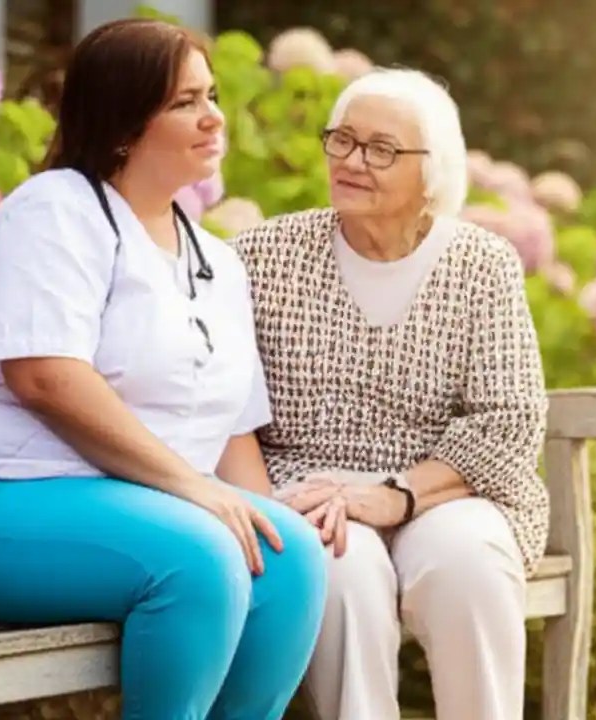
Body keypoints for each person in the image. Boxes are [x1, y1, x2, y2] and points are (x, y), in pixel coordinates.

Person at [0, 18, 327, 720]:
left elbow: (233, 434)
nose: (213, 116)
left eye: (212, 96)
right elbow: (44, 377)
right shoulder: (55, 210)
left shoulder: (217, 262)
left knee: (291, 557)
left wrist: (262, 515)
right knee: (200, 558)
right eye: (185, 102)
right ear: (125, 123)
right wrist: (194, 488)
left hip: (150, 514)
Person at [232, 68, 549, 720]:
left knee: (469, 565)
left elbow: (510, 419)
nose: (353, 161)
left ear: (434, 172)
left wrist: (397, 494)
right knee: (341, 573)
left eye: (381, 149)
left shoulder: (481, 264)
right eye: (343, 140)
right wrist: (270, 504)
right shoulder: (263, 255)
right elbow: (221, 394)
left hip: (446, 491)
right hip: (310, 491)